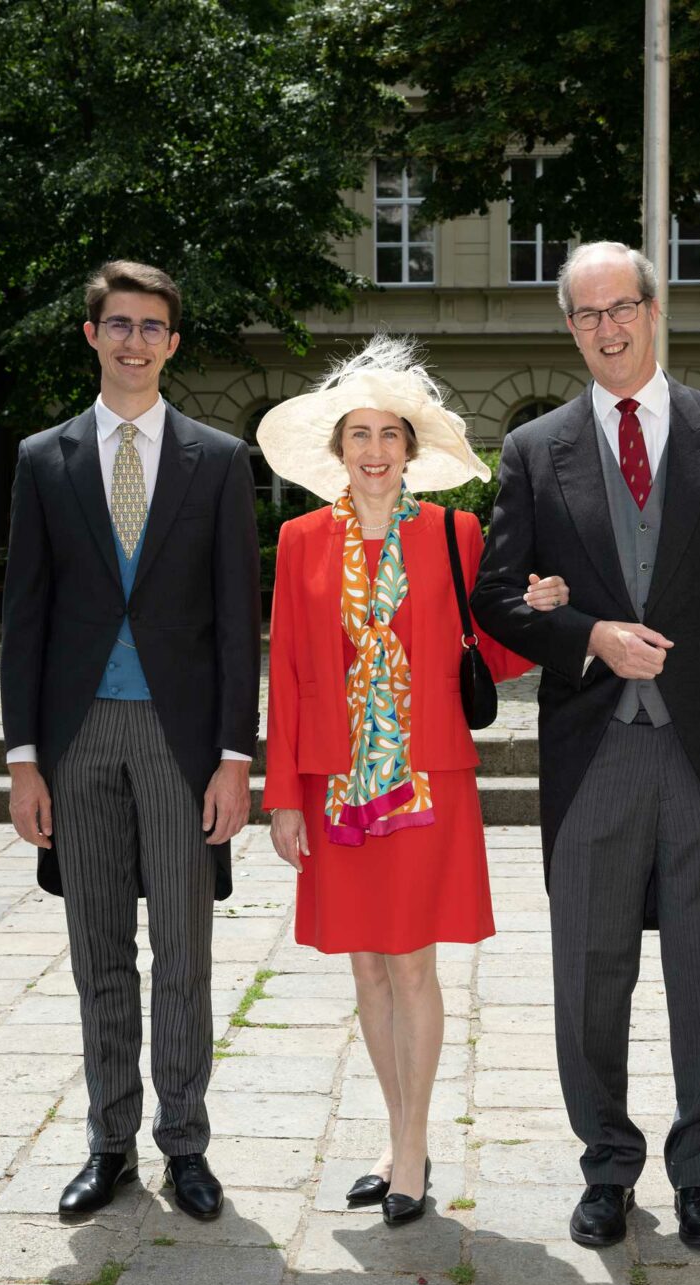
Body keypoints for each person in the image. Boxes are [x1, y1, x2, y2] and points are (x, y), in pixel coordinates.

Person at [471, 242, 700, 1250]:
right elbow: (497, 596)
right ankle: (607, 1164)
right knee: (590, 971)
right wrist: (589, 637)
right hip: (592, 751)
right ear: (569, 327)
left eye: (623, 308)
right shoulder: (536, 449)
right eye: (587, 315)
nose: (608, 328)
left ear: (654, 311)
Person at [258, 336, 565, 1225]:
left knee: (414, 967)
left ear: (411, 448)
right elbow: (288, 671)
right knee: (366, 972)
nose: (374, 450)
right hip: (334, 783)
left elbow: (493, 651)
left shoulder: (452, 533)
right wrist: (282, 795)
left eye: (389, 433)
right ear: (337, 449)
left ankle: (411, 1151)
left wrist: (537, 613)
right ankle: (399, 1142)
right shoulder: (298, 540)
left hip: (427, 775)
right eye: (358, 433)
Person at [0, 260, 261, 1221]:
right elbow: (25, 620)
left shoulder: (218, 460)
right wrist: (23, 759)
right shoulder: (42, 459)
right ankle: (109, 1143)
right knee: (98, 948)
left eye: (153, 327)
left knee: (183, 952)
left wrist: (238, 757)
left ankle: (184, 1144)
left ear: (173, 343)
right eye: (119, 324)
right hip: (75, 744)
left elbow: (238, 622)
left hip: (181, 742)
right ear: (92, 335)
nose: (135, 341)